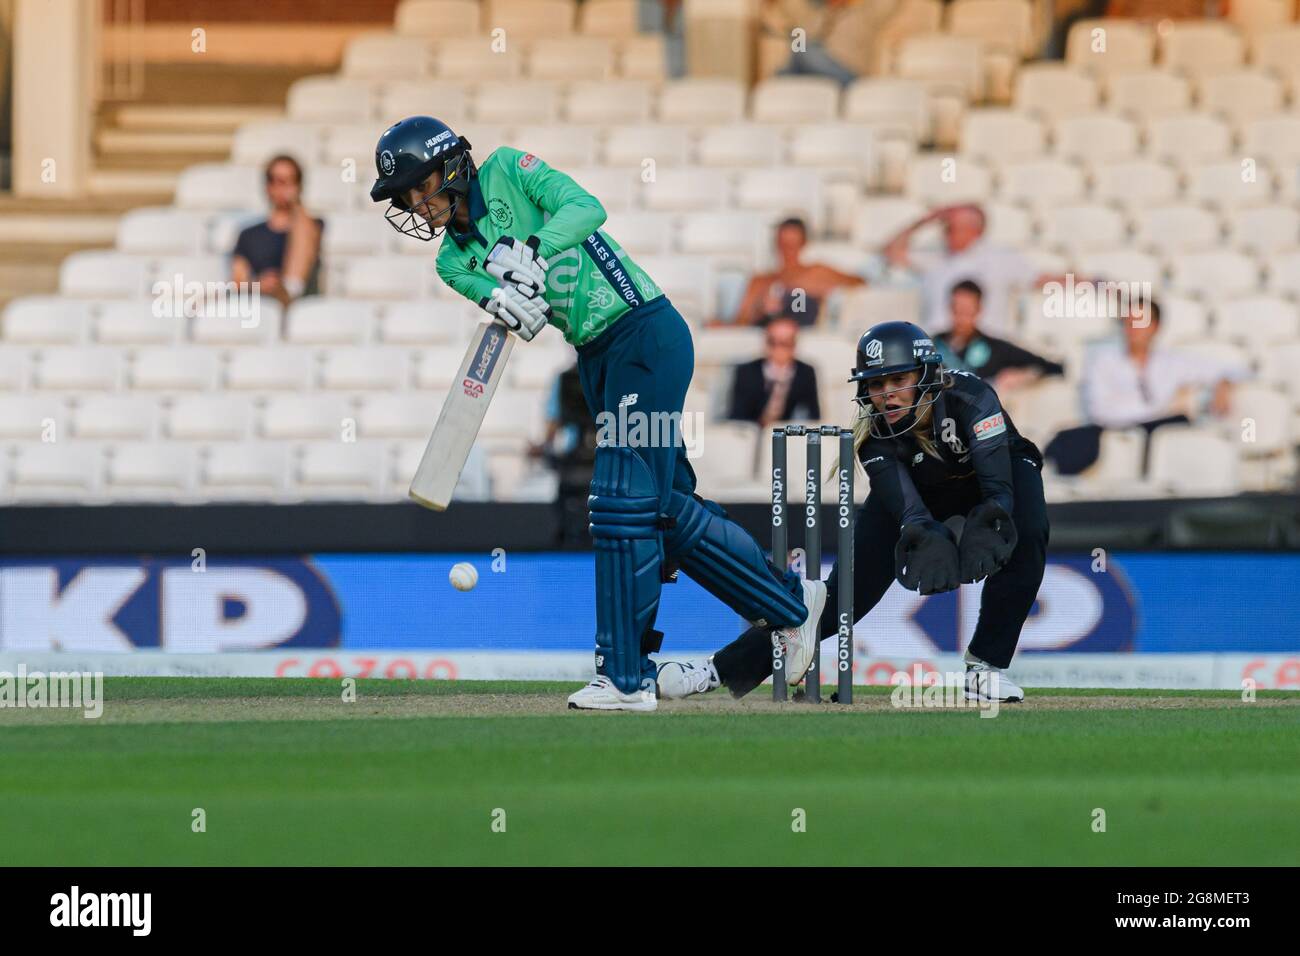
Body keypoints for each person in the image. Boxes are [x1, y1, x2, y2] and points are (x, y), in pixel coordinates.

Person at [370, 116, 822, 712]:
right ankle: (793, 606)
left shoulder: (508, 168)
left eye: (420, 188)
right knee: (660, 508)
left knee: (618, 503)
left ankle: (626, 677)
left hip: (646, 334)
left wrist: (532, 250)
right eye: (406, 200)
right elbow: (498, 301)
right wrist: (507, 301)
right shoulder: (453, 261)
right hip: (597, 359)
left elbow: (587, 208)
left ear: (451, 165)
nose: (418, 207)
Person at [657, 320, 1050, 704]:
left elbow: (998, 491)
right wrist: (925, 533)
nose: (887, 395)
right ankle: (715, 670)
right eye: (877, 384)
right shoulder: (871, 434)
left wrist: (991, 517)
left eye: (899, 380)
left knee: (1025, 531)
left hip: (995, 475)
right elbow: (912, 516)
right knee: (842, 597)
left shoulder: (971, 396)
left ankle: (985, 668)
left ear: (926, 373)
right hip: (922, 488)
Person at [1044, 297, 1249, 475]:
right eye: (1129, 321)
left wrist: (1223, 384)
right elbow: (1101, 413)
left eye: (1141, 322)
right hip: (1121, 442)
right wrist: (1163, 410)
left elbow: (1237, 368)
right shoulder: (1103, 362)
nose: (1133, 328)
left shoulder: (1171, 362)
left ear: (1156, 327)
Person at [883, 204, 1045, 337]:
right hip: (939, 351)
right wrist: (925, 220)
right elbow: (892, 252)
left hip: (985, 354)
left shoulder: (1001, 258)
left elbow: (1040, 280)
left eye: (951, 227)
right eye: (945, 227)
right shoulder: (934, 256)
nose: (944, 233)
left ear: (974, 230)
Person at [732, 217, 865, 327]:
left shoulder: (817, 272)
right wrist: (759, 309)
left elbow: (860, 282)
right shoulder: (760, 281)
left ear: (803, 244)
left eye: (792, 245)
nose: (787, 251)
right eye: (783, 245)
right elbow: (739, 323)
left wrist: (822, 289)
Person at [936, 279, 1064, 393]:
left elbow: (1051, 367)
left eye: (967, 311)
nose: (961, 317)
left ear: (979, 309)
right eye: (957, 309)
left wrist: (1022, 375)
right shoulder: (932, 345)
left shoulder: (996, 349)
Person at [231, 155, 323, 307]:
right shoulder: (248, 234)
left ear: (298, 186)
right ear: (267, 185)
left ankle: (288, 292)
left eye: (290, 181)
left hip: (302, 306)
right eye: (276, 180)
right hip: (263, 305)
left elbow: (307, 236)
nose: (282, 187)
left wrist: (295, 202)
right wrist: (260, 285)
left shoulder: (312, 225)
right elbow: (237, 281)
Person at [726, 316, 821, 425]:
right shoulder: (746, 372)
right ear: (765, 343)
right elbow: (737, 416)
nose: (778, 349)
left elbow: (812, 415)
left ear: (794, 345)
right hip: (753, 433)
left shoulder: (805, 373)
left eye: (785, 343)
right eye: (773, 342)